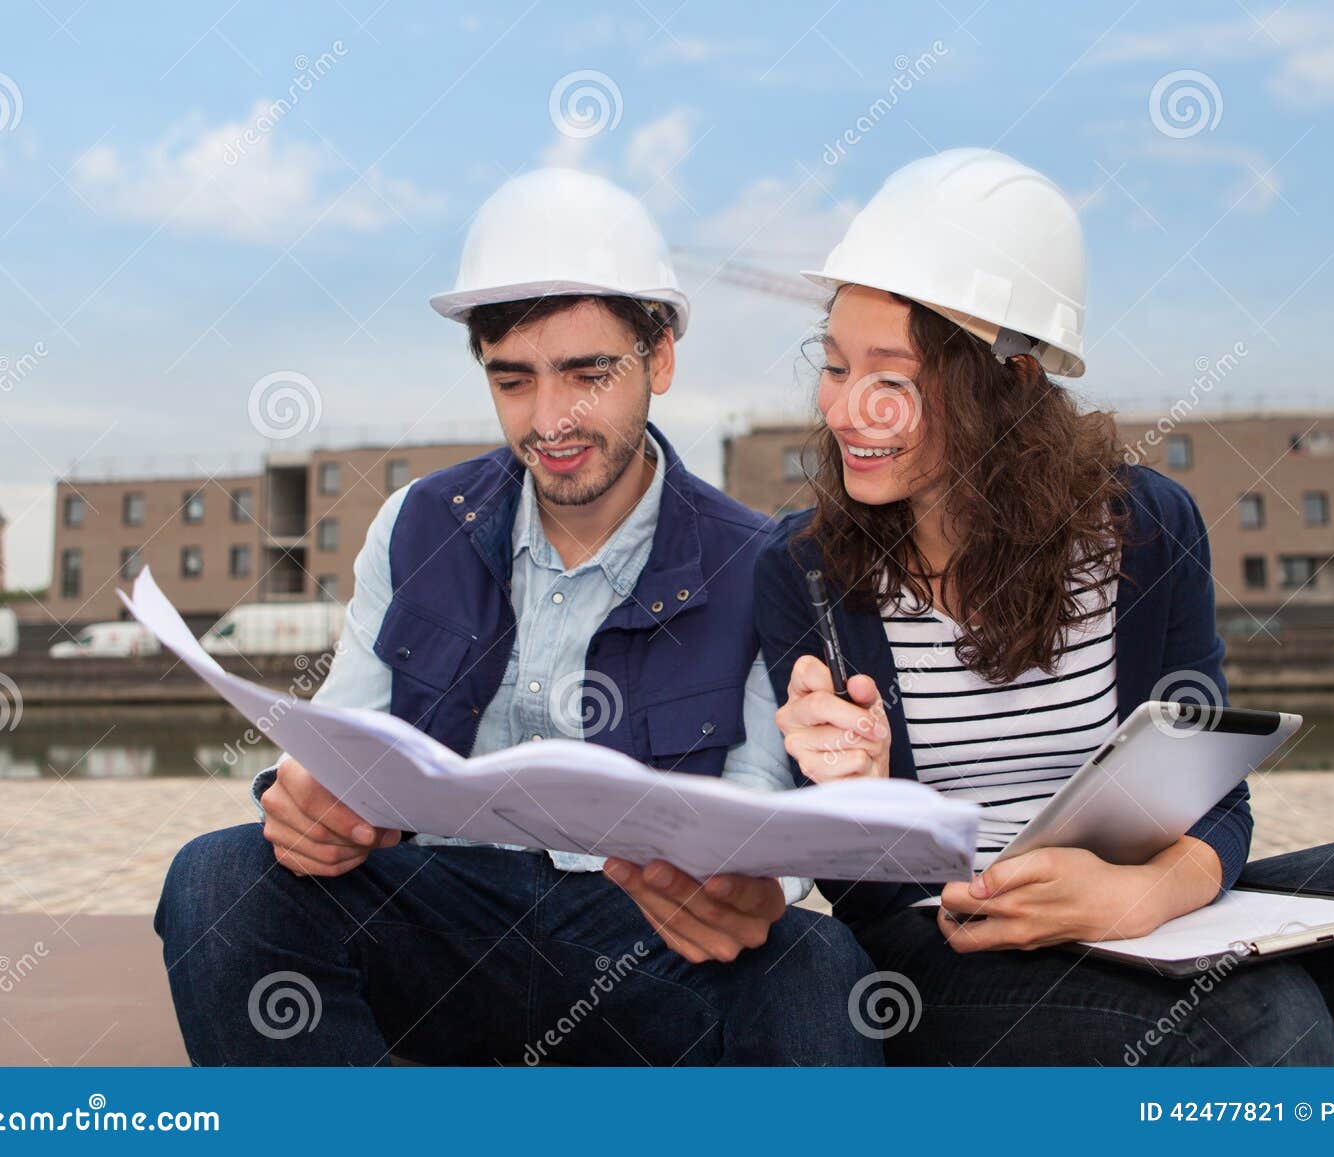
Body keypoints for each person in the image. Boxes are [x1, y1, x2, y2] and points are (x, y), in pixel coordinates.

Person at [756, 148, 1334, 1066]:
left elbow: (1216, 794)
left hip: (1152, 915)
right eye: (836, 365)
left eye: (889, 376)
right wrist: (865, 801)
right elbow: (863, 899)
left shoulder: (1144, 528)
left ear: (1010, 385)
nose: (847, 409)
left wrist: (1146, 892)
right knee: (1262, 1025)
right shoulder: (802, 569)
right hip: (948, 949)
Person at [155, 168, 880, 1066]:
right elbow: (341, 725)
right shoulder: (416, 524)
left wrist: (747, 880)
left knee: (821, 967)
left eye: (587, 374)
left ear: (659, 358)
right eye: (514, 380)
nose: (550, 421)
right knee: (219, 880)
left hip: (649, 946)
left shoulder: (762, 560)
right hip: (447, 917)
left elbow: (761, 795)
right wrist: (303, 796)